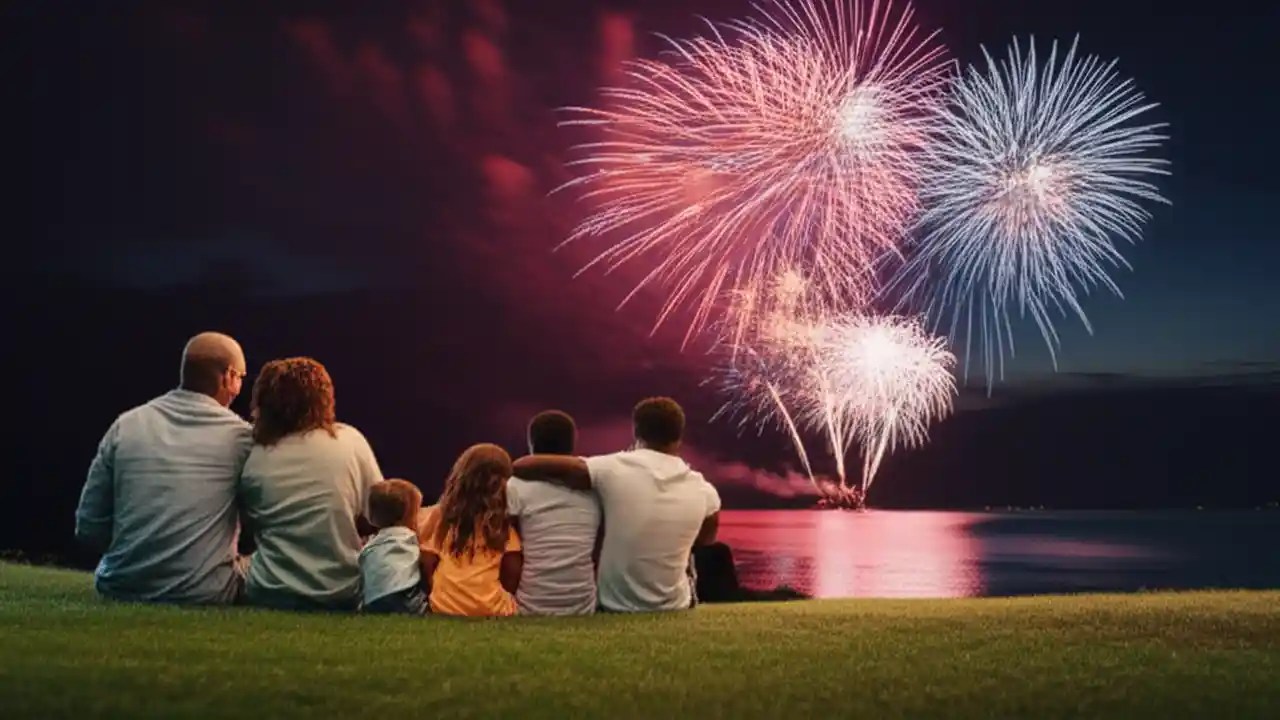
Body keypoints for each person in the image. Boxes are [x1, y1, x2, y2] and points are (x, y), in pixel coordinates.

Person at [74, 331, 253, 604]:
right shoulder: (242, 439)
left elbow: (88, 526)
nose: (240, 386)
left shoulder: (127, 425)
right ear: (227, 376)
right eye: (240, 377)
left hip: (119, 584)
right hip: (206, 591)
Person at [512, 397, 720, 612]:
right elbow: (706, 540)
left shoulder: (612, 469)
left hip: (613, 605)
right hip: (676, 604)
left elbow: (527, 465)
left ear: (636, 431)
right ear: (679, 437)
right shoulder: (704, 490)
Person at [238, 357, 383, 611]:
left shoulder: (255, 459)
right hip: (342, 592)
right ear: (324, 399)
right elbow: (380, 515)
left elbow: (250, 527)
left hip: (270, 591)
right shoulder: (350, 440)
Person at [505, 410, 601, 615]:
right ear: (572, 443)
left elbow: (508, 546)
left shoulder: (516, 485)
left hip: (530, 604)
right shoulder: (595, 484)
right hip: (584, 604)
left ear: (532, 444)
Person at [418, 443, 522, 617]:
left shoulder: (442, 522)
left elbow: (427, 563)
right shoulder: (503, 525)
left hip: (443, 607)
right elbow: (512, 572)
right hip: (493, 609)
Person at [359, 479, 428, 615]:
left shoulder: (371, 544)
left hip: (373, 603)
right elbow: (425, 562)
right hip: (404, 601)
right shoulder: (409, 538)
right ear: (409, 515)